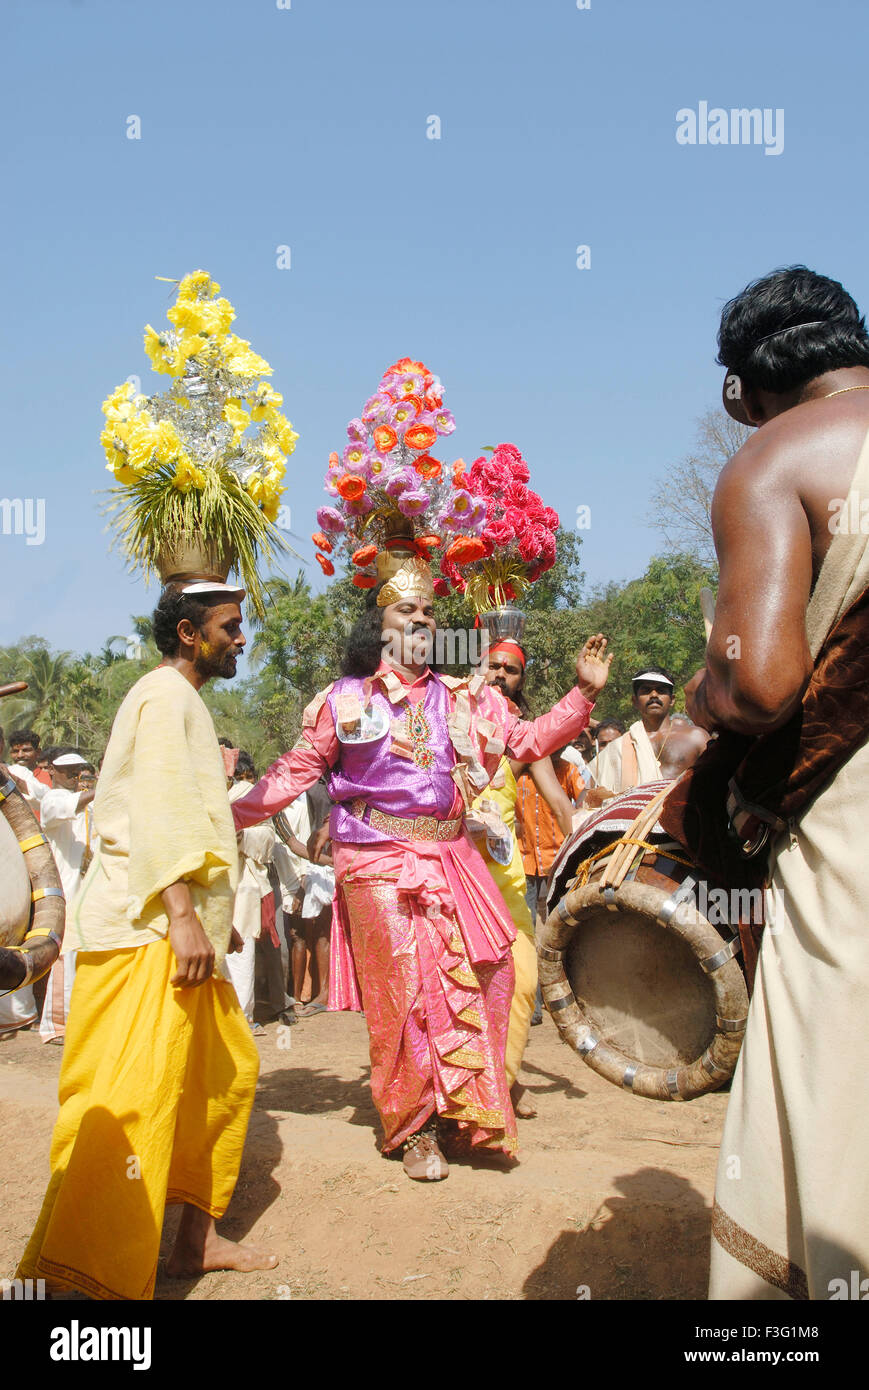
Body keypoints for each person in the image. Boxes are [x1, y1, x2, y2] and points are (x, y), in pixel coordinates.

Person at [233, 551, 611, 1181]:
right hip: (375, 861)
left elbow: (527, 741)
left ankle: (463, 1111)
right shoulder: (345, 699)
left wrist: (584, 693)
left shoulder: (466, 698)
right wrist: (226, 815)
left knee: (486, 977)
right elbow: (293, 773)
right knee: (403, 994)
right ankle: (412, 1130)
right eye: (407, 610)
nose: (423, 622)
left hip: (452, 856)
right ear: (378, 623)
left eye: (431, 612)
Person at [683, 265, 869, 1300]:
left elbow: (759, 682)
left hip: (852, 834)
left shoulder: (776, 454)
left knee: (835, 1085)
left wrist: (701, 702)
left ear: (740, 390)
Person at [16, 580, 276, 1299]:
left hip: (167, 927)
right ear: (190, 633)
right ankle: (84, 1277)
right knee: (129, 1101)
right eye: (230, 626)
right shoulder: (164, 697)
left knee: (218, 1078)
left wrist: (199, 918)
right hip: (145, 932)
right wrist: (184, 915)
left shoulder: (179, 699)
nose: (241, 639)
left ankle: (193, 1243)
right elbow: (160, 810)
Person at [37, 748, 95, 1045]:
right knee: (64, 955)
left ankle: (79, 1020)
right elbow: (75, 804)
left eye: (78, 770)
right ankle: (56, 1023)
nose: (74, 776)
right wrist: (103, 787)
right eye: (69, 771)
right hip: (64, 887)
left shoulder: (86, 802)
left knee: (84, 955)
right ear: (53, 772)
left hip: (87, 887)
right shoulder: (54, 799)